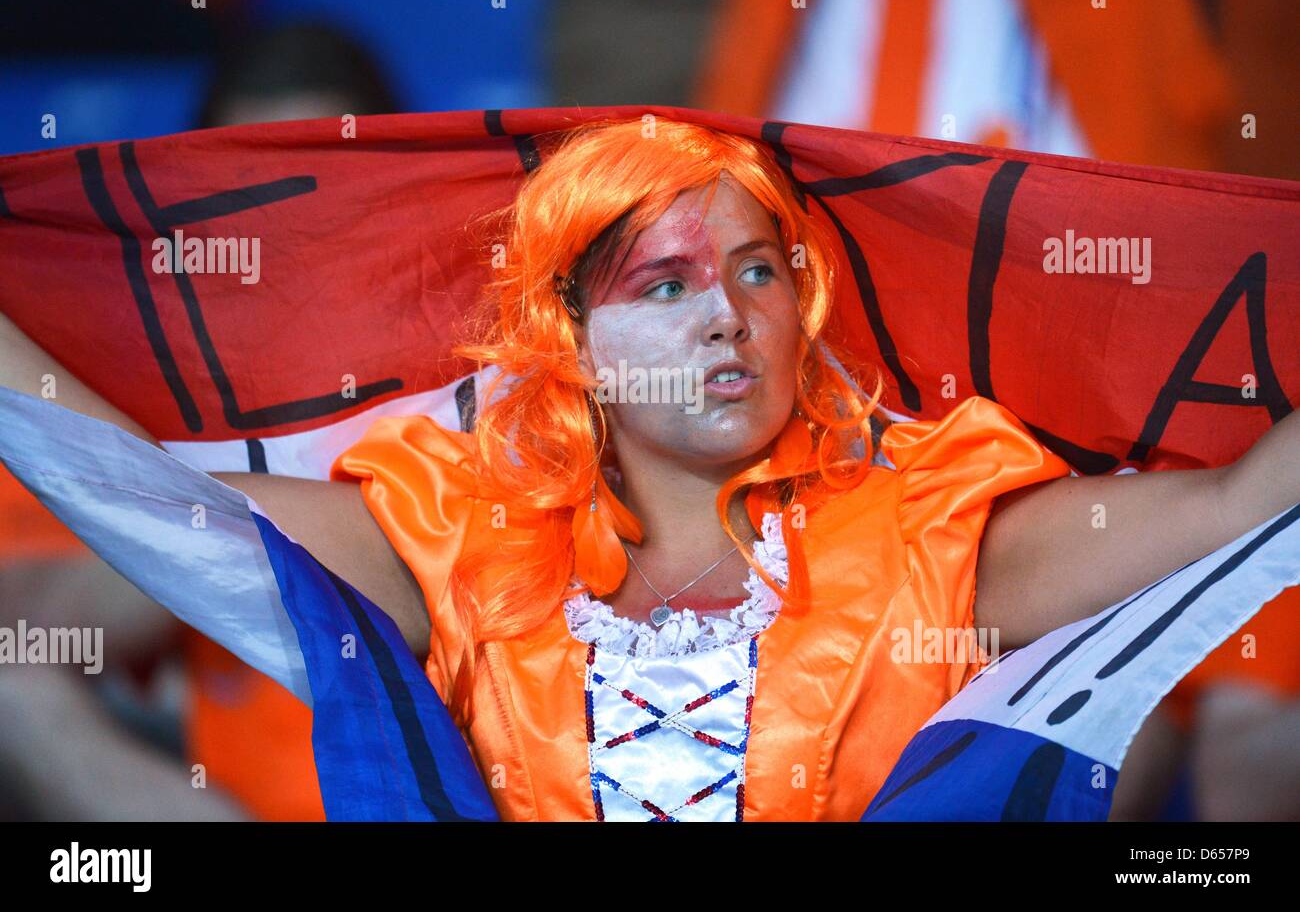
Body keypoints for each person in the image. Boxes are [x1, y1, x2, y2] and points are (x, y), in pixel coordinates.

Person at [2, 117, 1297, 821]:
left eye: (757, 271)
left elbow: (1250, 509)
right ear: (575, 340)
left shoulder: (939, 527)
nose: (726, 317)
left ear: (803, 306)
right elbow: (122, 482)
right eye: (665, 285)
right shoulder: (450, 539)